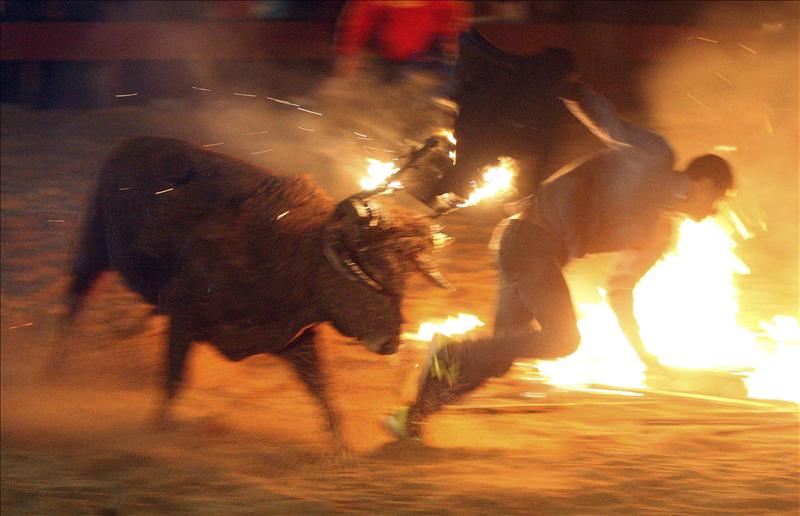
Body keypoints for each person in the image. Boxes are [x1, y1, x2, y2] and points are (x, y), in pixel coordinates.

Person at [383, 77, 735, 440]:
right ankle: (451, 355)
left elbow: (620, 292)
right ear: (705, 184)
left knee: (500, 355)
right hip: (528, 239)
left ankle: (411, 415)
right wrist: (565, 85)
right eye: (718, 200)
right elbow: (606, 121)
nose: (714, 211)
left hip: (531, 250)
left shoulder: (657, 234)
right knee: (563, 339)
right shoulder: (656, 157)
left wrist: (645, 357)